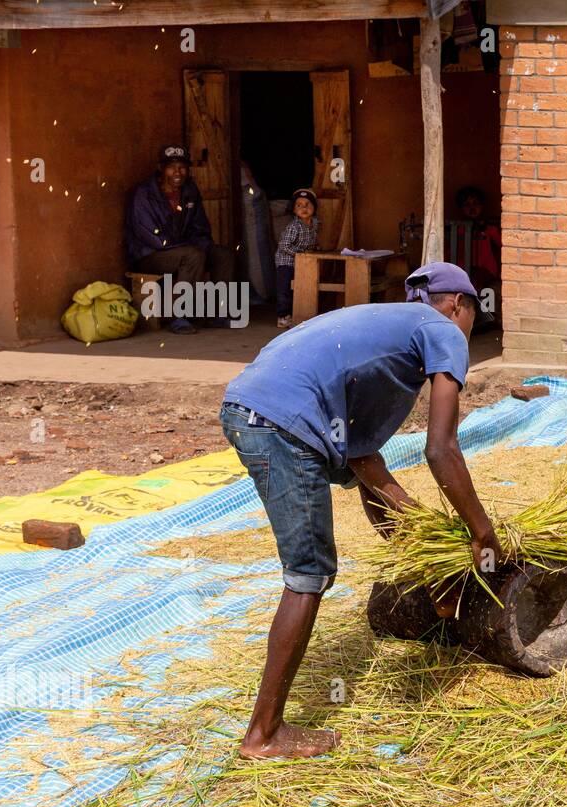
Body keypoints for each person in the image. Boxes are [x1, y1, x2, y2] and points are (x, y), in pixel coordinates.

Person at [219, 262, 501, 759]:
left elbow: (366, 465)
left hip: (249, 406)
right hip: (281, 421)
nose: (468, 333)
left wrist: (428, 558)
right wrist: (481, 531)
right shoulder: (442, 331)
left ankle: (264, 730)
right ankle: (263, 734)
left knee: (313, 562)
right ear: (457, 305)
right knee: (309, 572)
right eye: (473, 315)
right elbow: (441, 449)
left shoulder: (386, 331)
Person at [125, 144, 236, 335]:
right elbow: (152, 237)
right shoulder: (144, 194)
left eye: (182, 167)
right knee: (192, 255)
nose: (178, 172)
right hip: (150, 255)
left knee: (223, 255)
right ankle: (179, 316)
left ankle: (218, 313)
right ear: (161, 169)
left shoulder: (189, 191)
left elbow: (200, 227)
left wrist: (202, 246)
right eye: (171, 167)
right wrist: (190, 249)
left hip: (183, 250)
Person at [274, 188, 320, 330]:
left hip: (302, 263)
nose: (304, 208)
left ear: (314, 208)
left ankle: (300, 315)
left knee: (302, 287)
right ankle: (283, 317)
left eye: (307, 205)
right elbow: (283, 245)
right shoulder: (294, 226)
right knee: (284, 289)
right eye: (299, 205)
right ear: (294, 210)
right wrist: (300, 254)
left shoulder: (315, 224)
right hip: (286, 263)